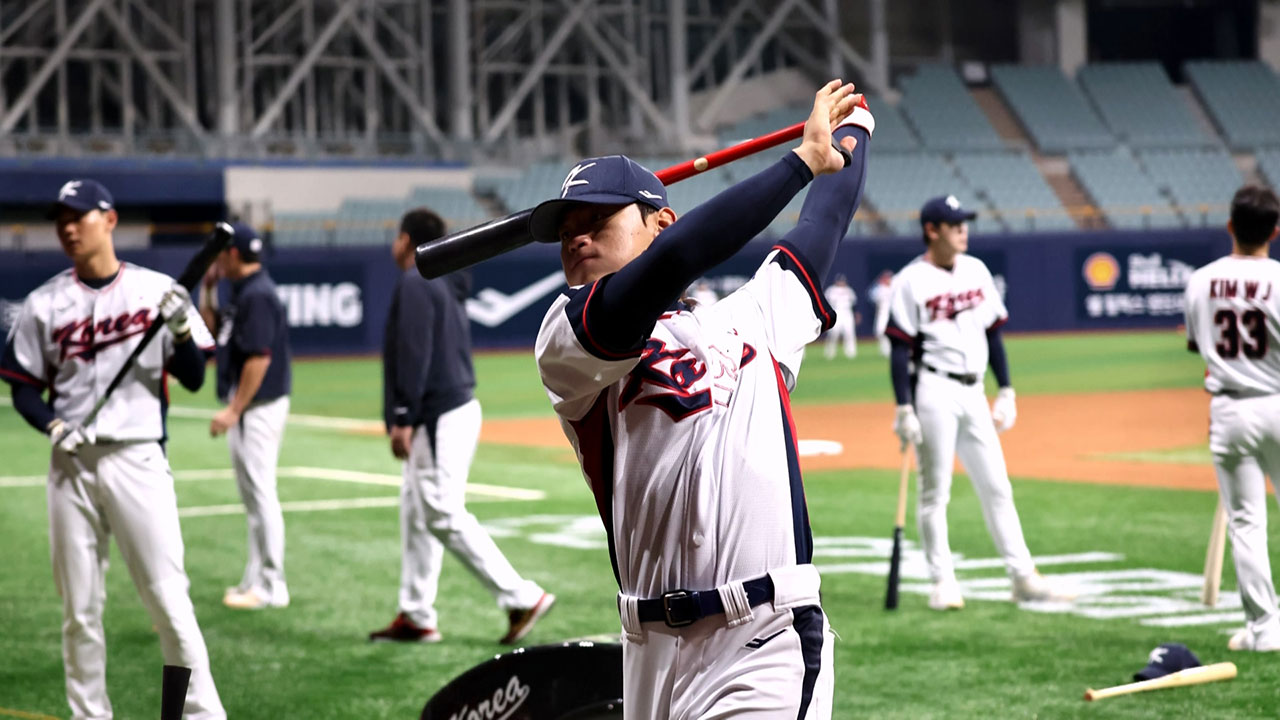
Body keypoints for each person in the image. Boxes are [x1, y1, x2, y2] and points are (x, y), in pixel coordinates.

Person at [532, 80, 871, 719]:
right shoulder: (567, 336)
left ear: (660, 219)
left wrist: (856, 130)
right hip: (648, 651)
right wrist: (800, 161)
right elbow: (678, 259)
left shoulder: (753, 318)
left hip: (763, 635)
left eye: (596, 221)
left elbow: (822, 222)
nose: (576, 238)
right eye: (566, 231)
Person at [1, 179, 226, 719]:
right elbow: (24, 386)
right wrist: (53, 426)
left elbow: (194, 378)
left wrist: (177, 325)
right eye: (61, 220)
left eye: (78, 216)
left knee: (169, 600)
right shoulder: (44, 303)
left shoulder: (157, 291)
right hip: (70, 464)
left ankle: (201, 715)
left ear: (110, 219)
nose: (68, 228)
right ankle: (89, 714)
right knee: (79, 611)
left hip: (137, 458)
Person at [368, 207, 555, 645]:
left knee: (440, 511)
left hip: (437, 413)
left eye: (397, 236)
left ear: (406, 239)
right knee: (417, 511)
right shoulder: (442, 279)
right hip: (452, 408)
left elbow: (414, 354)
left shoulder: (417, 279)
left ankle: (520, 596)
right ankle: (416, 614)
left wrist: (402, 418)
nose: (392, 244)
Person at [885, 194, 1072, 611]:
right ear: (932, 231)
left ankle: (1022, 576)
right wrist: (904, 407)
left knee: (997, 486)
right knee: (936, 491)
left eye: (964, 223)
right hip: (933, 390)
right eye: (955, 225)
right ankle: (943, 582)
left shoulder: (976, 270)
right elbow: (900, 349)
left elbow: (992, 334)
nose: (963, 230)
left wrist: (1006, 389)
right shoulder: (910, 280)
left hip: (973, 393)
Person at [1184, 184, 1280, 652]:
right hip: (1278, 402)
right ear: (1275, 231)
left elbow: (1199, 348)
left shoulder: (1200, 280)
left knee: (1246, 522)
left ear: (1230, 226)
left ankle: (1264, 631)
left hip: (1227, 408)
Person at [200, 222, 293, 610]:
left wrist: (234, 410)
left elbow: (259, 358)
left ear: (233, 254)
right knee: (253, 498)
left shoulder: (257, 295)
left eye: (220, 251)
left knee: (261, 494)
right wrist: (207, 288)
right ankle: (255, 580)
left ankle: (273, 585)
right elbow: (209, 333)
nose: (217, 258)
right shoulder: (242, 291)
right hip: (249, 407)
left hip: (258, 406)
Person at [823, 274, 858, 359]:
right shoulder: (831, 290)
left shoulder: (849, 290)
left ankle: (851, 353)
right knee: (833, 333)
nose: (841, 283)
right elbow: (825, 303)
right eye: (840, 281)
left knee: (849, 333)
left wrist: (856, 314)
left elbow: (854, 303)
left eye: (842, 281)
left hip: (847, 312)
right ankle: (830, 353)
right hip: (836, 312)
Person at [869, 269, 894, 357]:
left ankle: (889, 350)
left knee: (890, 333)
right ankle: (884, 349)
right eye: (886, 278)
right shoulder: (879, 288)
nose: (888, 279)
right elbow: (871, 296)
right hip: (882, 313)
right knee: (879, 332)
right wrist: (877, 283)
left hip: (892, 315)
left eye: (889, 277)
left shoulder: (894, 287)